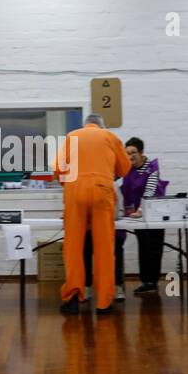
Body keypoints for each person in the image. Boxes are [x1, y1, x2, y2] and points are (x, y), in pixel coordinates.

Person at [54, 113, 131, 314]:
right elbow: (124, 169)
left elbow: (57, 168)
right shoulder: (110, 137)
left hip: (74, 190)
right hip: (101, 189)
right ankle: (104, 303)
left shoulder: (72, 136)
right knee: (104, 248)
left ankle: (72, 297)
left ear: (86, 125)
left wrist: (70, 183)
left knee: (74, 247)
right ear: (101, 125)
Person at [121, 137, 168, 296]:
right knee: (143, 247)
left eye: (133, 153)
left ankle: (152, 282)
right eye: (127, 153)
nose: (130, 157)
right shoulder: (128, 169)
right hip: (137, 216)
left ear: (141, 153)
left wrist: (141, 210)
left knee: (154, 248)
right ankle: (145, 282)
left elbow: (149, 190)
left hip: (155, 214)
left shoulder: (152, 167)